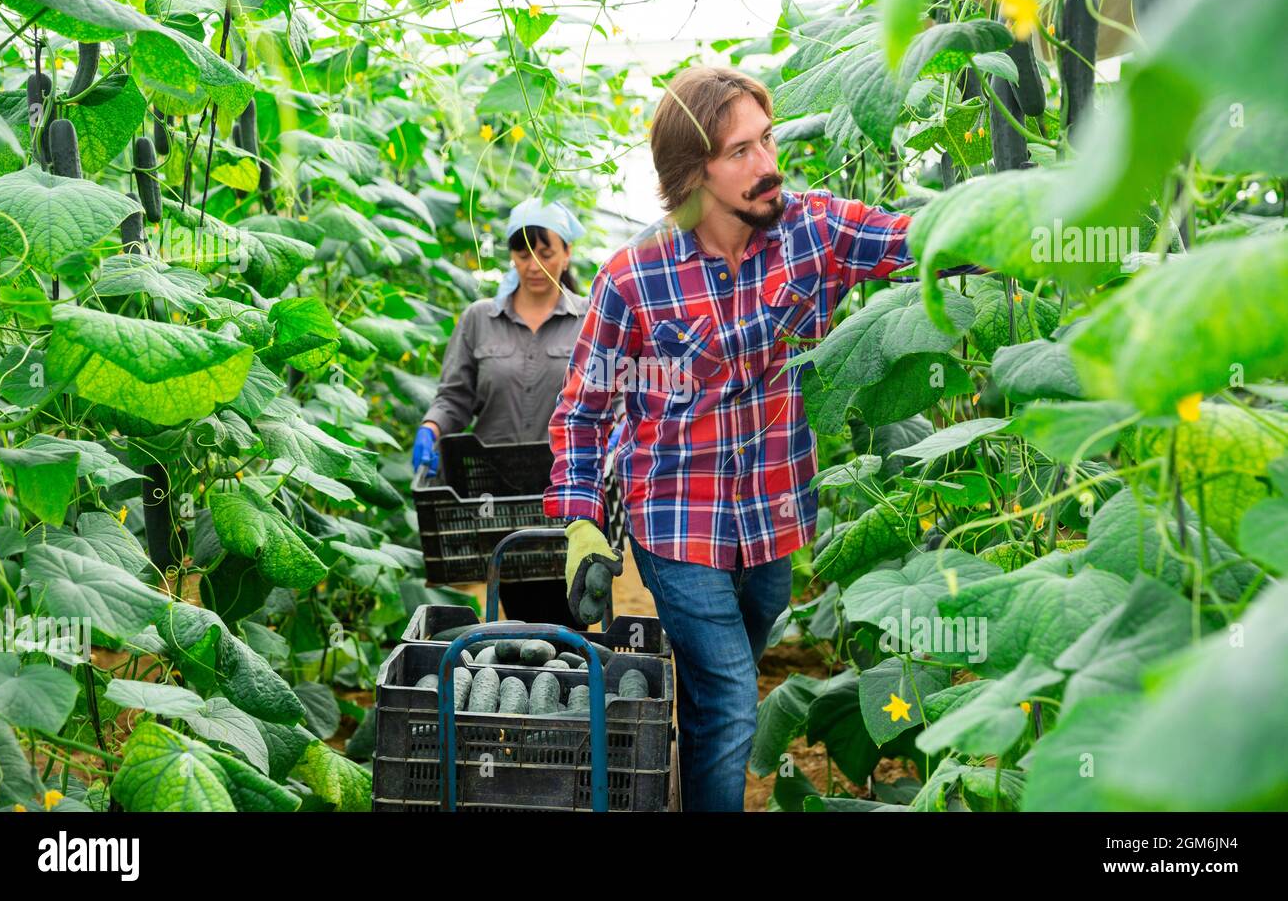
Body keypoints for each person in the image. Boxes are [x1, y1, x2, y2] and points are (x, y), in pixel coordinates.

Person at [543, 66, 980, 810]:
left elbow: (917, 244)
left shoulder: (812, 228)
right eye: (740, 151)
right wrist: (582, 519)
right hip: (677, 520)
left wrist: (1010, 225)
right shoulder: (634, 278)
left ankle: (688, 771)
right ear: (693, 174)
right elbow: (585, 411)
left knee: (722, 692)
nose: (767, 163)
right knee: (735, 696)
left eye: (767, 138)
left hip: (775, 515)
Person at [414, 197, 605, 626]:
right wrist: (431, 426)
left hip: (569, 491)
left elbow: (609, 401)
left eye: (546, 252)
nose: (534, 265)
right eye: (523, 253)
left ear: (567, 252)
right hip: (498, 498)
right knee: (521, 618)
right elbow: (454, 397)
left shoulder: (589, 320)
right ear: (512, 256)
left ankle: (568, 686)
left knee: (573, 615)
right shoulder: (480, 319)